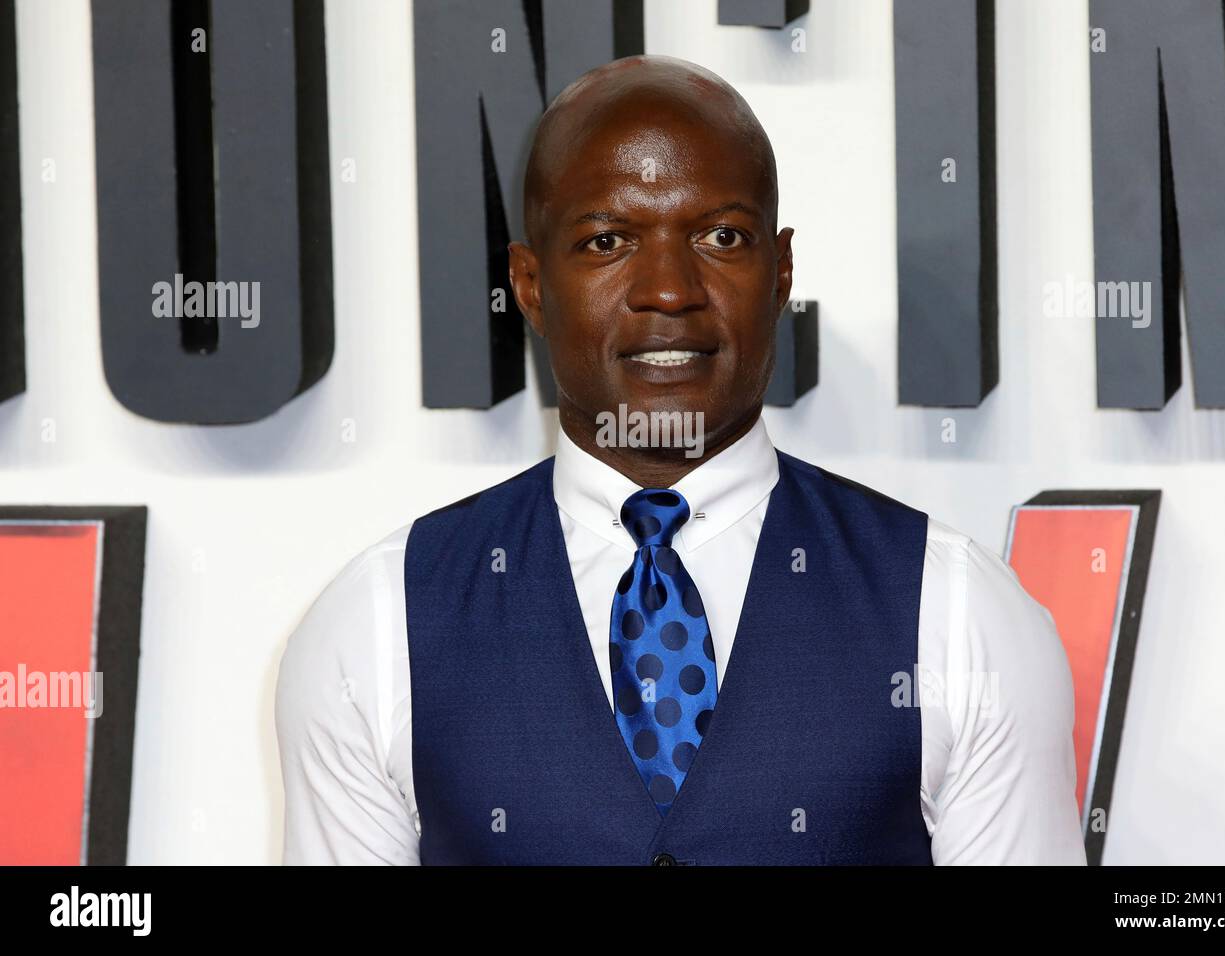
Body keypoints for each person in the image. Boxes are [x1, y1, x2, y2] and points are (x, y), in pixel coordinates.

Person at [274, 54, 1085, 865]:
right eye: (607, 241)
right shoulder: (375, 629)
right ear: (528, 285)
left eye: (721, 236)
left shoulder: (958, 612)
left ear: (781, 272)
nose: (668, 289)